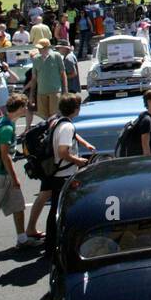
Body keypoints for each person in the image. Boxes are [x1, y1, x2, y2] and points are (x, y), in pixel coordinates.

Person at [0, 94, 43, 248]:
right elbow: (5, 156)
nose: (27, 109)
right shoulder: (7, 128)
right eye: (25, 107)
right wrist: (15, 178)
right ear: (20, 108)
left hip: (4, 175)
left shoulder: (6, 121)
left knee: (18, 205)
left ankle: (22, 240)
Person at [45, 93, 94, 259]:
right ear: (75, 109)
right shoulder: (67, 127)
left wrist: (84, 143)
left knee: (55, 210)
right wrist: (78, 161)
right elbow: (63, 151)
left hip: (57, 174)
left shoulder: (59, 121)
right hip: (65, 174)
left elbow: (70, 134)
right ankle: (57, 247)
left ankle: (51, 245)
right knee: (64, 211)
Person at [30, 39, 68, 119]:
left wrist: (65, 91)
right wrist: (31, 95)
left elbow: (63, 74)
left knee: (55, 116)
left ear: (47, 47)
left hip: (55, 92)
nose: (39, 50)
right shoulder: (36, 59)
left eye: (41, 48)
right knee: (44, 117)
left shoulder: (56, 56)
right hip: (41, 92)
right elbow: (34, 78)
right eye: (38, 48)